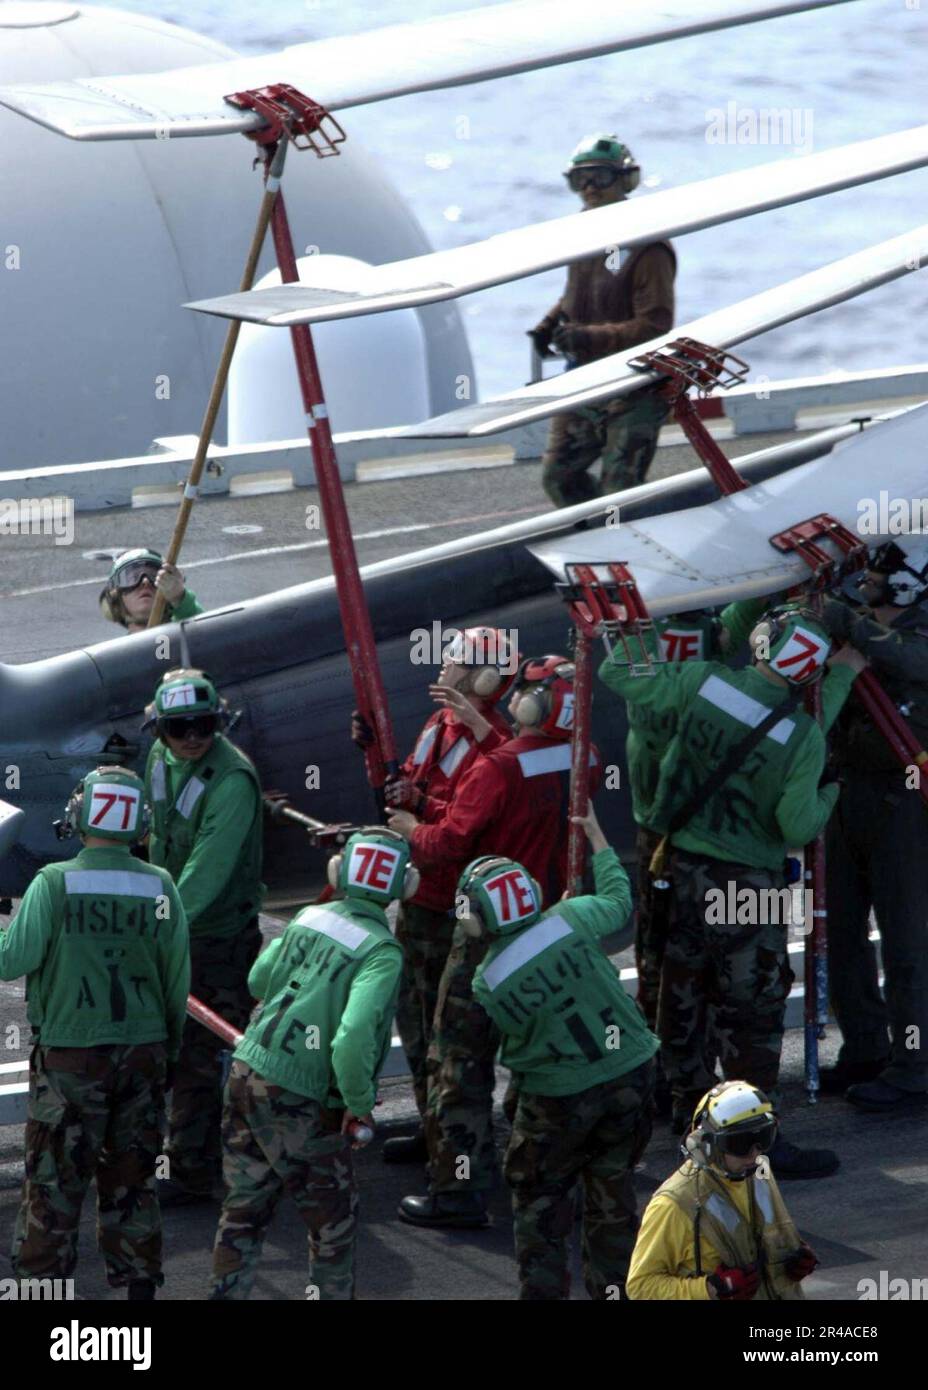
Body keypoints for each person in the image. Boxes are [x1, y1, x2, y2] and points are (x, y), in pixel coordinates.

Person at [600, 604, 866, 1177]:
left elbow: (619, 674)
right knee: (753, 1009)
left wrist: (636, 628)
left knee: (683, 993)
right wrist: (831, 795)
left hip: (680, 869)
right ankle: (752, 1136)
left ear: (763, 644)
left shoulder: (704, 680)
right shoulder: (801, 737)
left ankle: (687, 1110)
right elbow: (796, 826)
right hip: (750, 884)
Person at [389, 655, 600, 1228]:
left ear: (534, 704)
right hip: (552, 928)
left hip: (487, 931)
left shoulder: (497, 768)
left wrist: (412, 829)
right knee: (540, 1055)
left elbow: (450, 844)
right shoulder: (585, 759)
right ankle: (547, 1173)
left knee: (459, 1063)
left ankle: (457, 1190)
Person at [0, 767, 189, 1300]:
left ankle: (43, 1298)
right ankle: (137, 1300)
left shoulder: (53, 882)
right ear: (139, 822)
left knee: (54, 1189)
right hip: (145, 1053)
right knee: (133, 1183)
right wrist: (166, 1052)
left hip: (70, 1062)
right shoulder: (162, 885)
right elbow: (177, 981)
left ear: (79, 815)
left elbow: (11, 959)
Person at [208, 829, 408, 1300]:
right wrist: (358, 1104)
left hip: (245, 1073)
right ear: (406, 886)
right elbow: (353, 1038)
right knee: (332, 1224)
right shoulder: (381, 951)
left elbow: (259, 980)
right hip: (302, 1096)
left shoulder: (309, 916)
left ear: (338, 871)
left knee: (242, 1212)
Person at [469, 806, 658, 1300]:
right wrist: (596, 834)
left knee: (539, 1205)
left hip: (558, 1097)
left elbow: (512, 1034)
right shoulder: (571, 916)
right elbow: (619, 900)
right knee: (612, 1190)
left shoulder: (487, 981)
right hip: (632, 1071)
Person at [352, 626, 517, 1165]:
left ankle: (458, 1150)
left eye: (455, 658)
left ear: (483, 677)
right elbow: (423, 790)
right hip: (422, 899)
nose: (442, 664)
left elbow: (459, 830)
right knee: (417, 1023)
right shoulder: (438, 724)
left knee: (451, 1038)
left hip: (451, 905)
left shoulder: (493, 744)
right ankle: (434, 1131)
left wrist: (411, 825)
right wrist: (390, 774)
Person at [143, 668, 264, 1203]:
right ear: (159, 730)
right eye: (179, 727)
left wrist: (156, 933)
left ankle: (195, 1171)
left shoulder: (232, 781)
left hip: (216, 940)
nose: (192, 736)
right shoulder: (159, 761)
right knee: (177, 1050)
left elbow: (205, 877)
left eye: (204, 725)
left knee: (201, 1056)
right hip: (174, 927)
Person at [819, 540, 928, 1111]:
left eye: (879, 576)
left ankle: (916, 1063)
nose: (868, 584)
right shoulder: (864, 625)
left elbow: (913, 660)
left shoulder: (907, 634)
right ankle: (864, 1045)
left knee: (908, 939)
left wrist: (849, 626)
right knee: (842, 933)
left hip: (904, 803)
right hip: (848, 791)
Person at [529, 134, 676, 508]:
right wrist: (550, 323)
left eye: (600, 177)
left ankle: (627, 549)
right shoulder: (583, 234)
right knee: (559, 479)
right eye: (581, 179)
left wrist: (586, 337)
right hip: (584, 382)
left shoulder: (648, 247)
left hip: (634, 389)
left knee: (620, 492)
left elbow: (655, 326)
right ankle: (596, 540)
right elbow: (577, 290)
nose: (589, 188)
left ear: (625, 181)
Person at [627, 1081, 818, 1301]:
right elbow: (640, 1287)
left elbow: (761, 1235)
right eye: (740, 1143)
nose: (754, 1154)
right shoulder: (674, 1204)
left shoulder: (758, 1173)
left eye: (764, 1138)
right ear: (708, 1144)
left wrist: (793, 1256)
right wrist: (708, 1290)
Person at [99, 547, 203, 632]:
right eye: (132, 578)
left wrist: (179, 597)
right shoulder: (117, 655)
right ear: (116, 598)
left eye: (154, 576)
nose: (145, 581)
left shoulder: (186, 636)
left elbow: (202, 629)